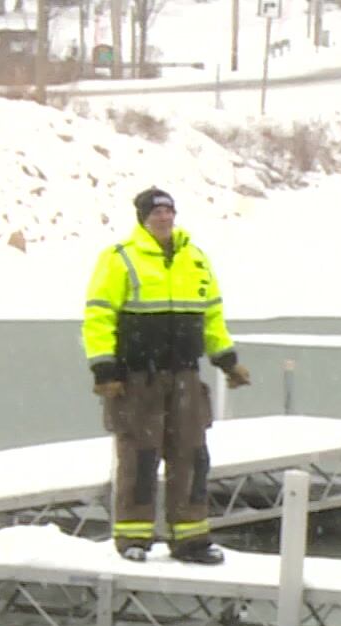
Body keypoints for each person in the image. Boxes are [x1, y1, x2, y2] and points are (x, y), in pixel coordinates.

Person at [82, 186, 251, 566]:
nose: (163, 218)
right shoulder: (119, 258)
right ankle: (133, 537)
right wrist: (104, 369)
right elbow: (98, 316)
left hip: (185, 375)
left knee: (191, 455)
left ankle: (190, 538)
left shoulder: (196, 259)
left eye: (168, 211)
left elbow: (211, 317)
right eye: (156, 212)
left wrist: (227, 361)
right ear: (142, 218)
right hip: (138, 377)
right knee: (140, 455)